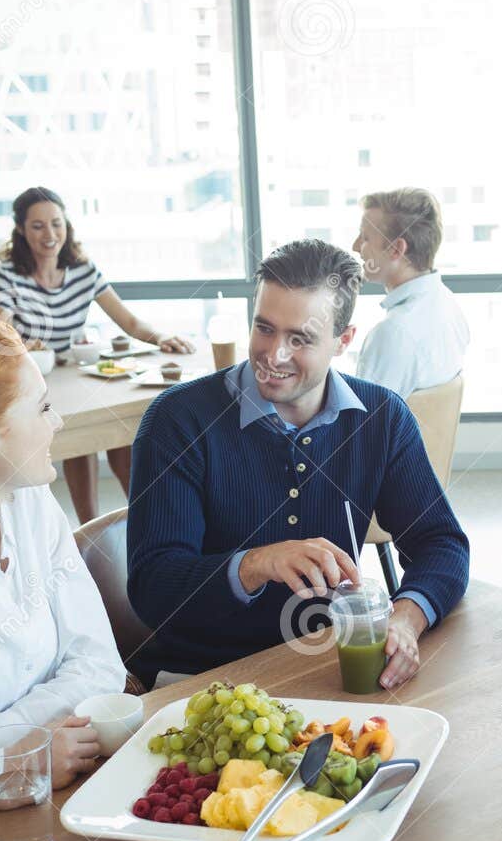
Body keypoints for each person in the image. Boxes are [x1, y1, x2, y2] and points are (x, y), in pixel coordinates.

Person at [127, 238, 469, 686]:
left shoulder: (382, 417)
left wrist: (405, 618)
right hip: (205, 677)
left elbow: (442, 543)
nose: (274, 355)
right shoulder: (176, 420)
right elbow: (153, 588)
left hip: (331, 665)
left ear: (343, 341)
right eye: (264, 328)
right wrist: (255, 564)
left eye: (300, 338)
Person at [0, 316, 127, 805]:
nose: (57, 422)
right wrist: (9, 765)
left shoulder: (32, 503)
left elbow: (100, 664)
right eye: (42, 407)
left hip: (67, 778)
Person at [0, 186, 195, 524]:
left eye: (56, 223)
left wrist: (163, 336)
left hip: (74, 373)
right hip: (34, 378)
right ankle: (88, 529)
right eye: (38, 225)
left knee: (118, 436)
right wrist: (23, 343)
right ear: (22, 230)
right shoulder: (8, 274)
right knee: (79, 444)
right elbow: (0, 329)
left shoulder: (83, 270)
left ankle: (146, 523)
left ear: (66, 225)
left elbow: (127, 320)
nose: (50, 234)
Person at [351, 187, 469, 397]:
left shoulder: (393, 333)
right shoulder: (448, 304)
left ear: (396, 249)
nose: (356, 246)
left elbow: (360, 426)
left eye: (365, 237)